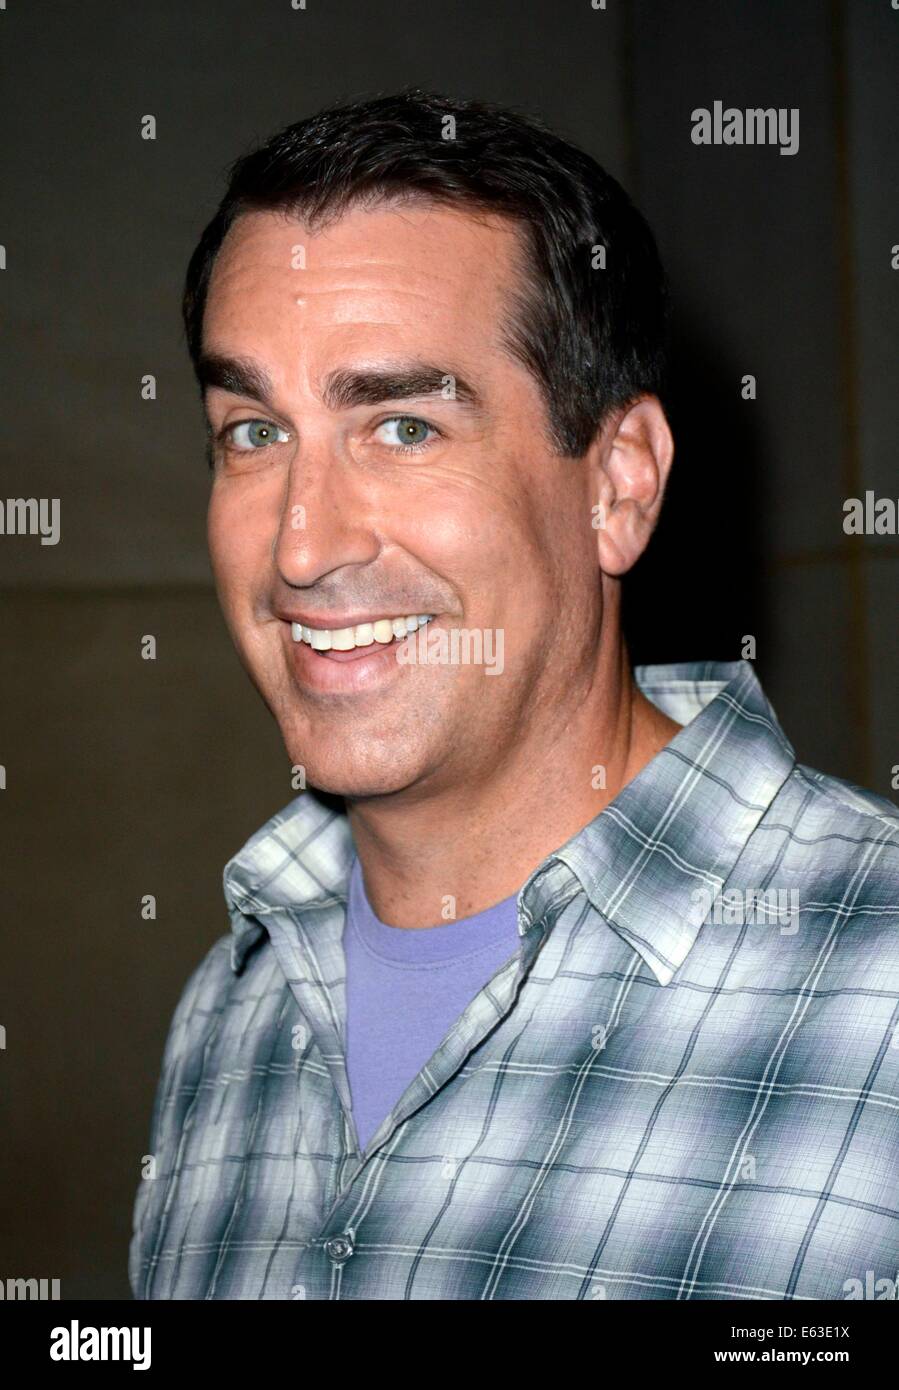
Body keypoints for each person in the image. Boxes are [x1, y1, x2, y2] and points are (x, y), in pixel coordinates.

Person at [129, 88, 899, 1301]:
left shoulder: (878, 988)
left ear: (617, 485)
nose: (298, 548)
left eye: (402, 427)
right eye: (252, 433)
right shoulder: (229, 1013)